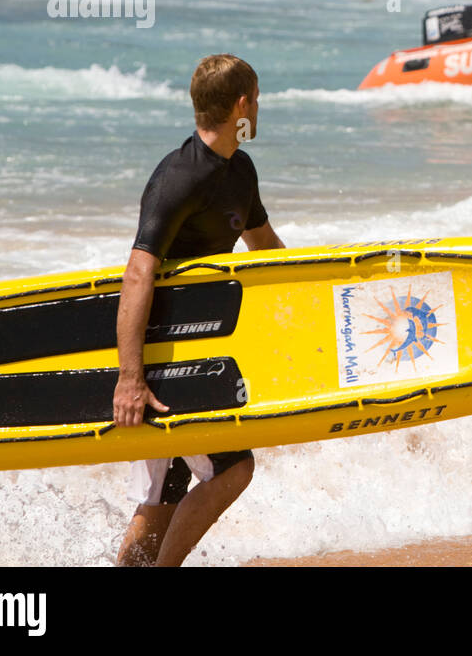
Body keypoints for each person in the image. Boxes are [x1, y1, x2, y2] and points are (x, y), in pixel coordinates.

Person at [113, 53, 285, 567]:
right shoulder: (178, 176)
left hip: (199, 345)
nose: (260, 106)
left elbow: (266, 247)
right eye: (257, 97)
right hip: (165, 356)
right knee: (233, 468)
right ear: (241, 106)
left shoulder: (240, 170)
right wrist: (129, 377)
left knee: (165, 492)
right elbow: (138, 272)